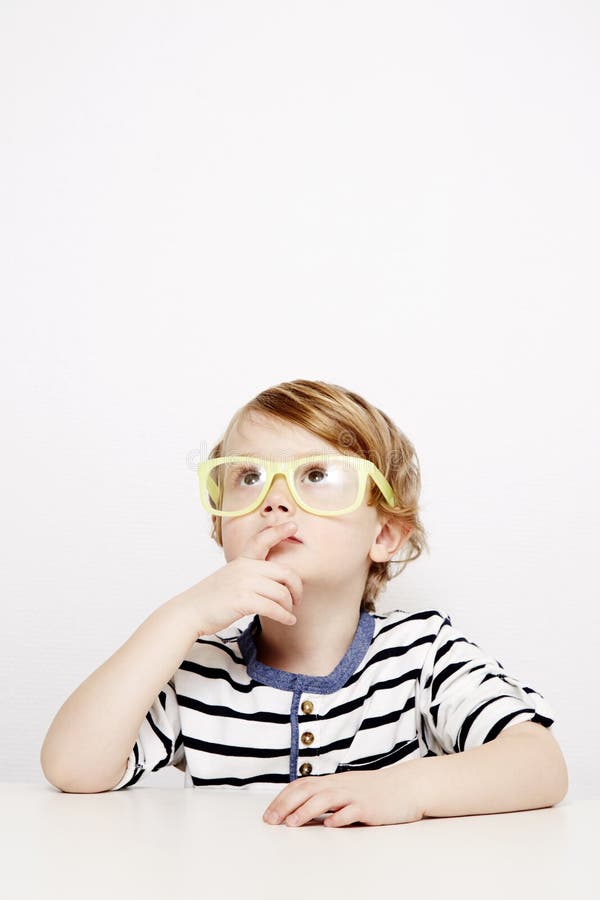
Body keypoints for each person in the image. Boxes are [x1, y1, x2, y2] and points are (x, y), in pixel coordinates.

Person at [40, 379, 568, 827]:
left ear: (384, 534)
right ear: (221, 525)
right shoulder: (200, 670)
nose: (273, 498)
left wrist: (406, 790)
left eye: (316, 475)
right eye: (248, 476)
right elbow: (73, 769)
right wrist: (180, 617)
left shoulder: (423, 652)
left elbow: (541, 765)